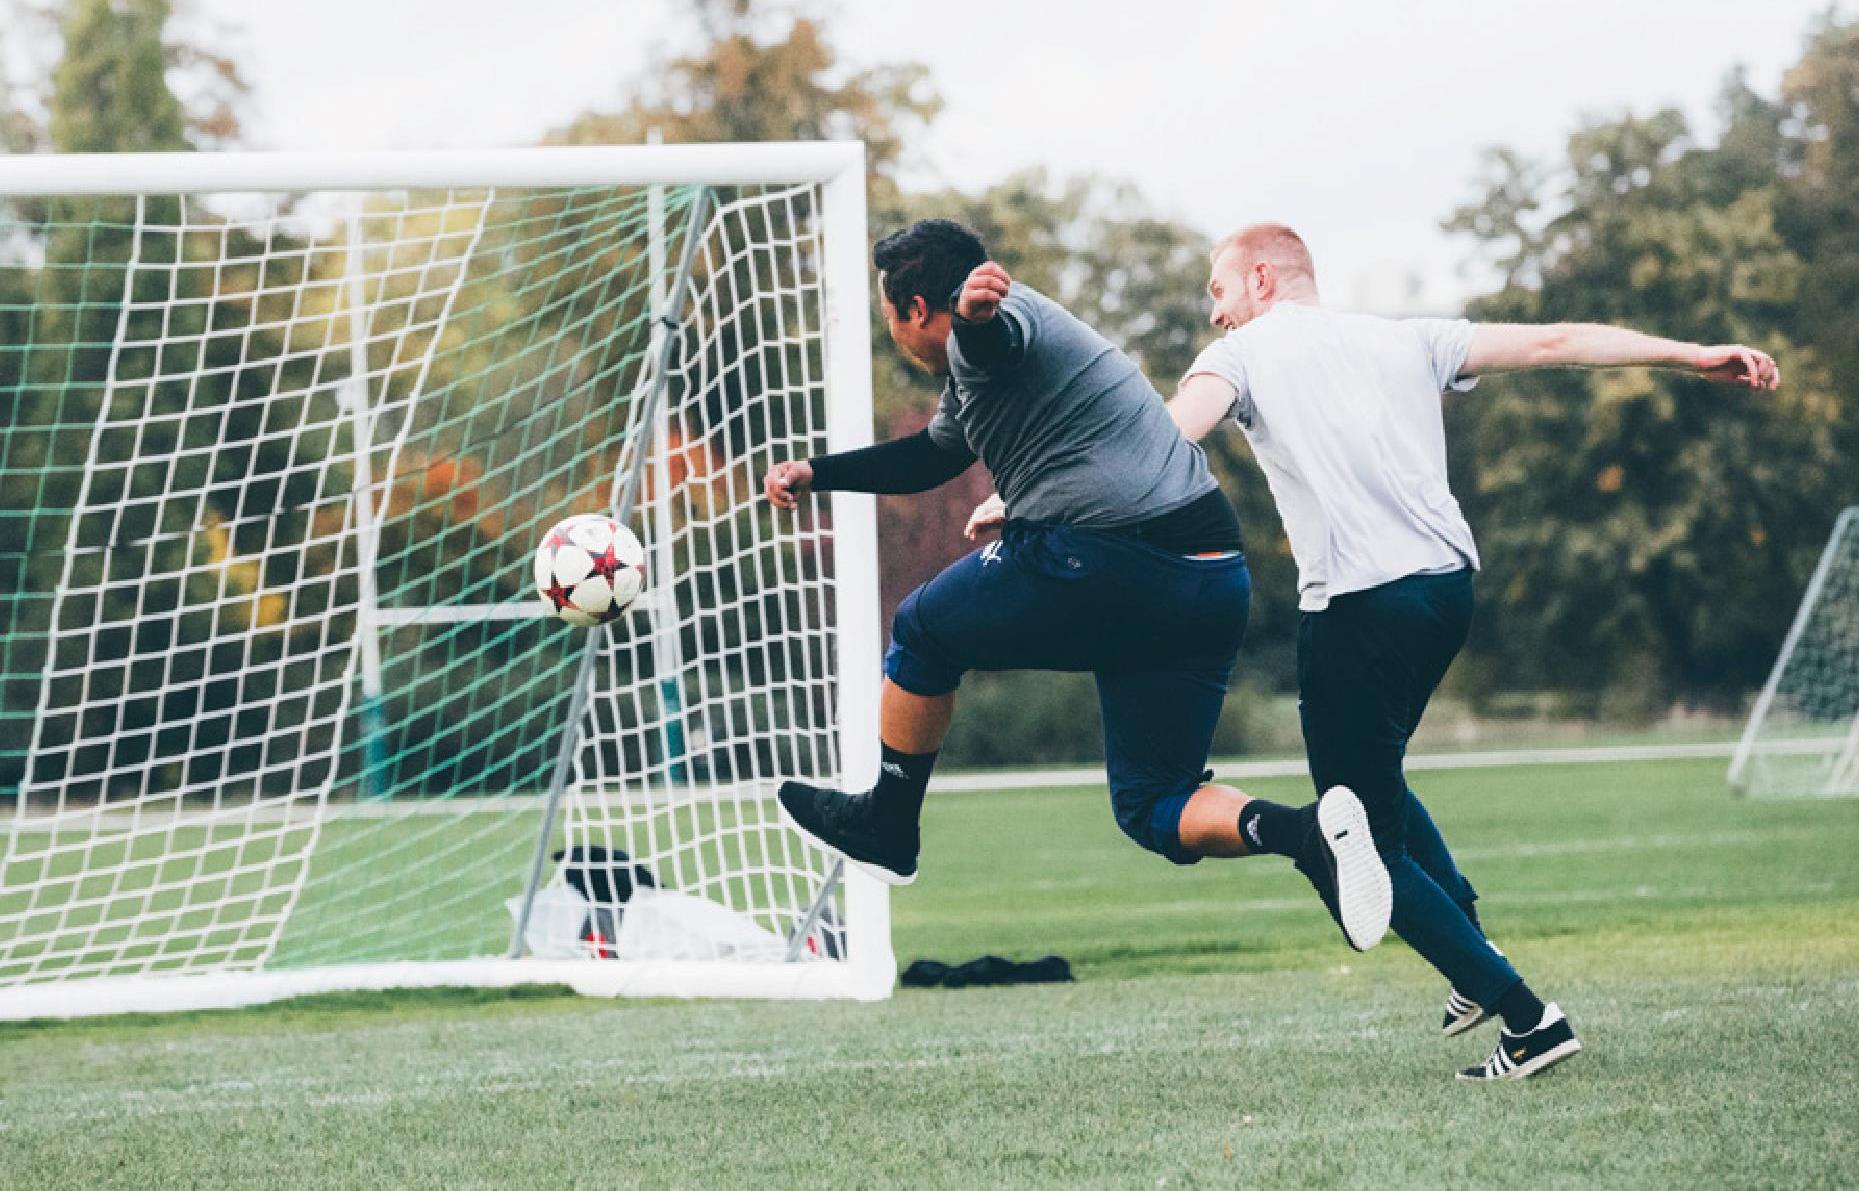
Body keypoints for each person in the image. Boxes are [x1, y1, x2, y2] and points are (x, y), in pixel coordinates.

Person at [1130, 222, 1774, 1081]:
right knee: (1376, 781)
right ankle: (1468, 949)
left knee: (1357, 834)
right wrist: (1692, 355)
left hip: (1356, 610)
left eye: (1218, 291)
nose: (1215, 314)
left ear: (1260, 278)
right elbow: (1555, 342)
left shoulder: (1238, 358)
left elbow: (1161, 442)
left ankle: (1526, 1017)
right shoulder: (1406, 338)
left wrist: (1041, 504)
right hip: (1444, 594)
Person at [763, 219, 1389, 932]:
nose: (894, 336)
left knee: (921, 629)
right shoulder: (977, 377)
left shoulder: (996, 328)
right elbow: (933, 455)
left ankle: (886, 823)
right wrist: (817, 472)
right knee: (1153, 804)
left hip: (1111, 557)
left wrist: (973, 318)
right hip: (1209, 576)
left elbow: (993, 338)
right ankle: (1306, 835)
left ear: (915, 310)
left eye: (890, 319)